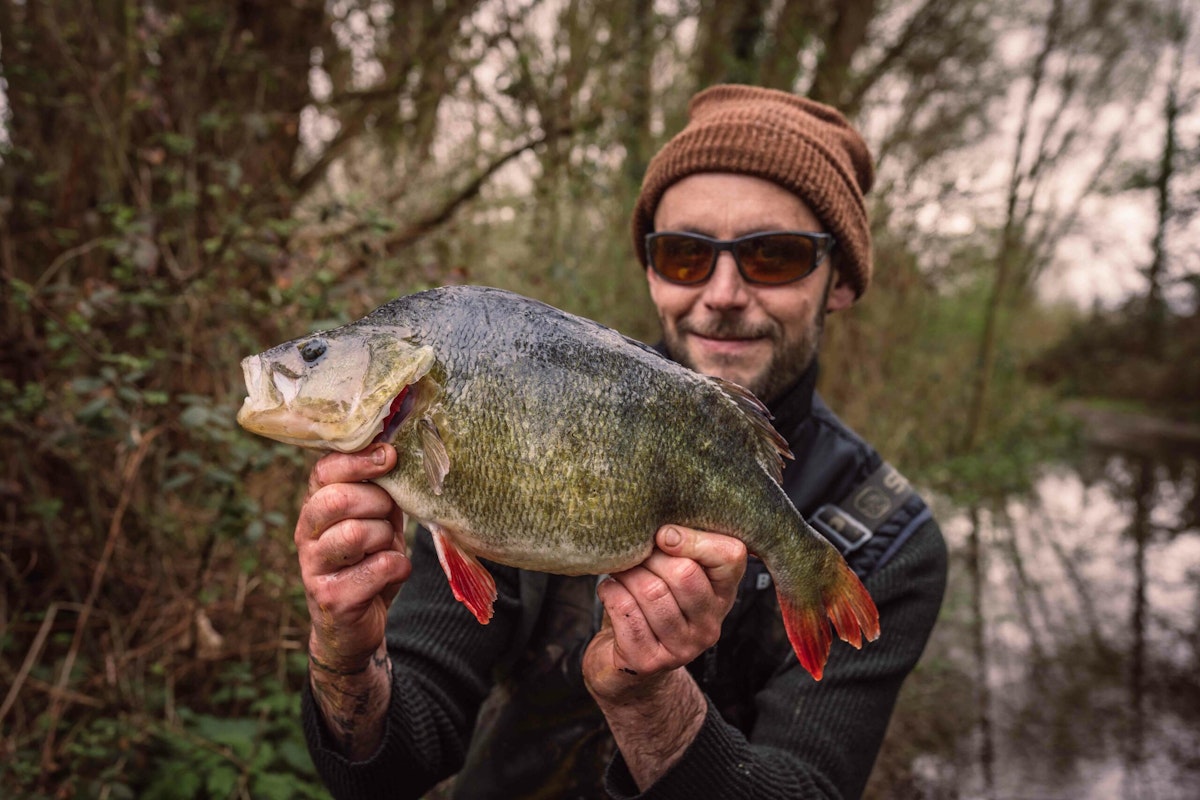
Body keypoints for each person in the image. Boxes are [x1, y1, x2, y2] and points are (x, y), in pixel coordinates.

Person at [295, 84, 948, 799]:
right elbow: (392, 768)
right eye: (685, 254)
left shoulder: (888, 541)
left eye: (774, 256)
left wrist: (651, 706)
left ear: (841, 281)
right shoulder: (518, 406)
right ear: (650, 269)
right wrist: (345, 659)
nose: (723, 292)